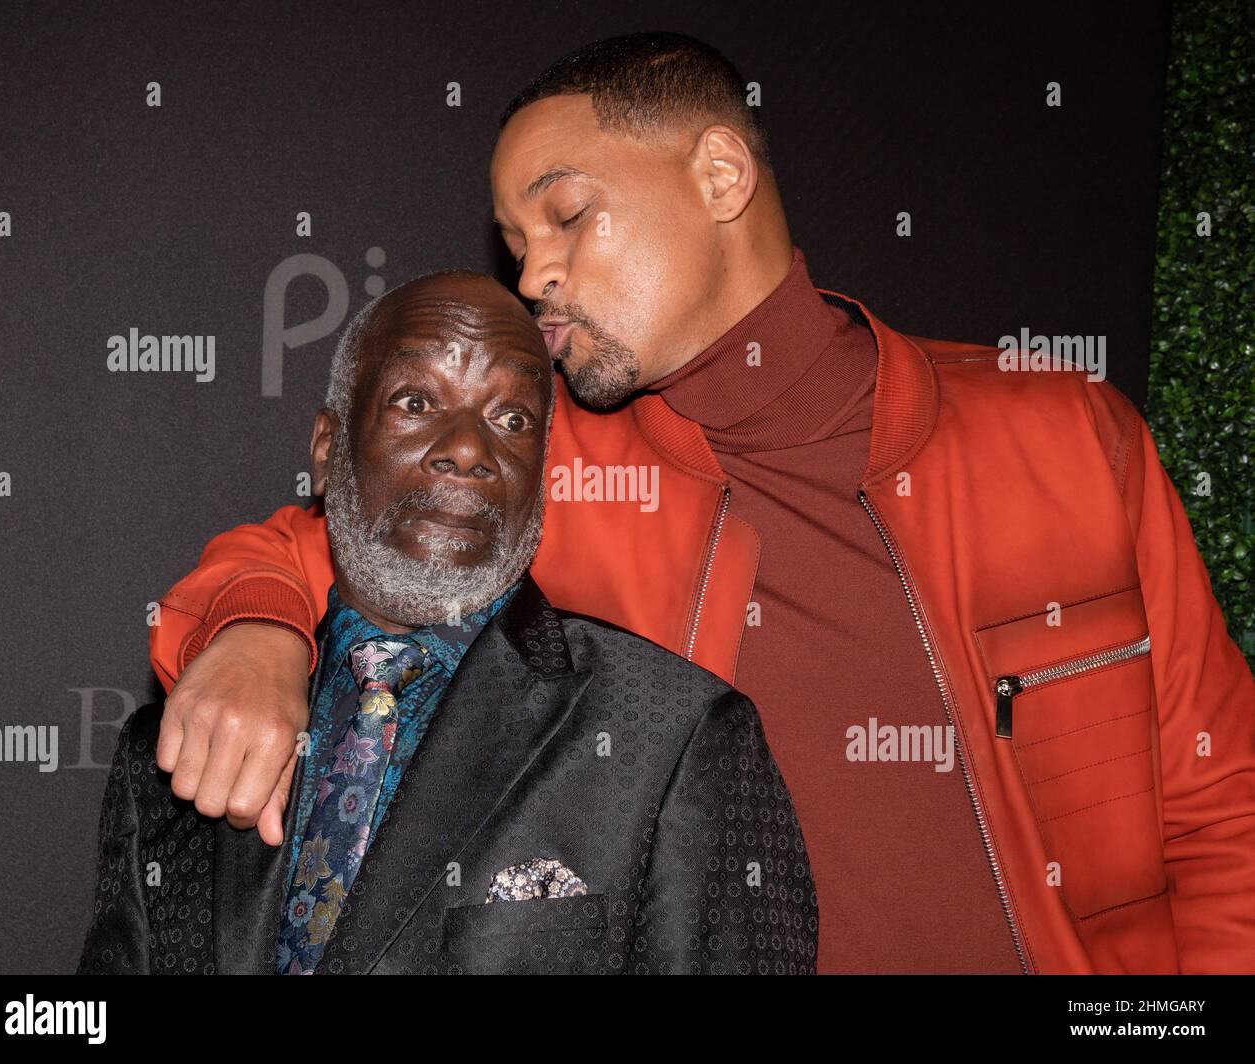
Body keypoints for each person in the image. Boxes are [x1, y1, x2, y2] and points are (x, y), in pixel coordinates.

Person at [145, 33, 1255, 973]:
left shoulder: (1066, 433)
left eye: (566, 217)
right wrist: (252, 628)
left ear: (721, 176)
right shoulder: (555, 468)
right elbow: (312, 538)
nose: (532, 275)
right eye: (518, 243)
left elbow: (1220, 814)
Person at [77, 270, 817, 975]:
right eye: (416, 403)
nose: (468, 448)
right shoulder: (175, 748)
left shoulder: (673, 737)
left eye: (513, 418)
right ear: (328, 449)